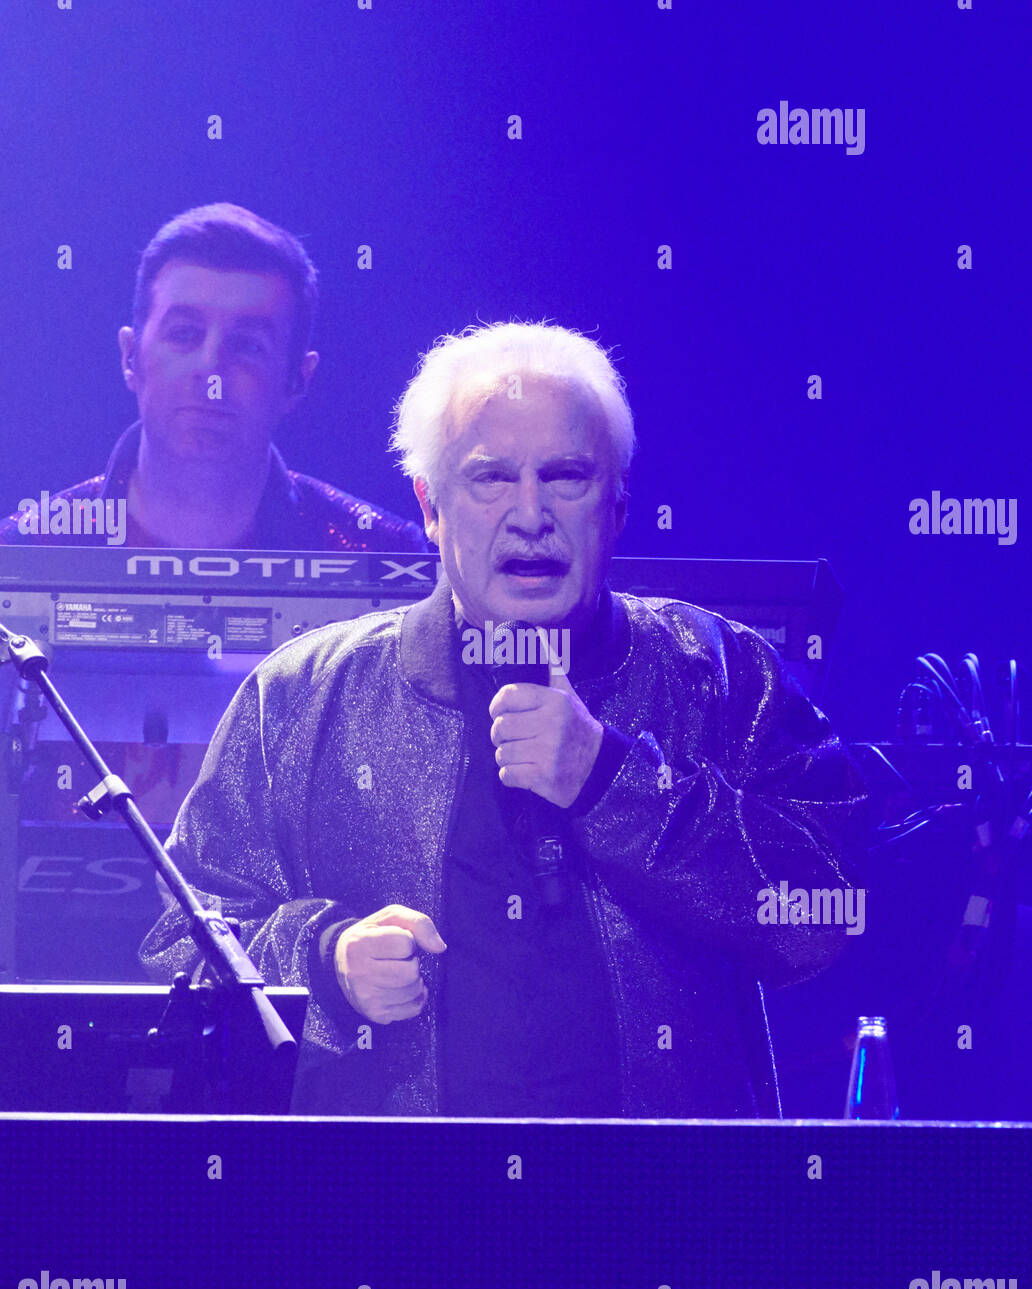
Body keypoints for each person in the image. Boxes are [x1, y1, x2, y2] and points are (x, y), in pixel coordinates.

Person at [139, 321, 868, 1119]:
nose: (530, 515)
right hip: (400, 1219)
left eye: (566, 477)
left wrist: (612, 782)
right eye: (491, 478)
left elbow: (827, 915)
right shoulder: (303, 695)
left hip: (662, 1216)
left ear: (617, 505)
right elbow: (184, 945)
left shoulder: (716, 672)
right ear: (431, 506)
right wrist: (326, 960)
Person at [0, 203, 426, 552]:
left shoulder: (394, 556)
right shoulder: (22, 550)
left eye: (247, 345)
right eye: (184, 334)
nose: (211, 368)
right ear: (131, 357)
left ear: (298, 379)